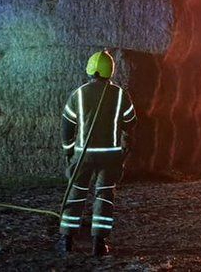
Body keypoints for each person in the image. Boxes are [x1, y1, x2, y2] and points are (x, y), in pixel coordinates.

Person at [57, 50, 137, 257]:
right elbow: (131, 123)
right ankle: (99, 244)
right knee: (104, 196)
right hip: (110, 156)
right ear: (111, 70)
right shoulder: (120, 94)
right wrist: (125, 145)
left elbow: (67, 126)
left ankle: (66, 241)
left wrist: (69, 152)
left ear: (90, 69)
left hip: (83, 155)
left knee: (75, 195)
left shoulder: (78, 94)